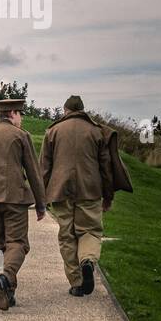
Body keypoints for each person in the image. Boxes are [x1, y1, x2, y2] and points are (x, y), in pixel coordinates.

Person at [0, 98, 46, 311]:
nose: (21, 119)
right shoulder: (21, 136)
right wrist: (41, 204)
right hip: (15, 198)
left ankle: (4, 289)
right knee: (19, 243)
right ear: (13, 113)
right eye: (20, 114)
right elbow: (33, 172)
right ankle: (6, 276)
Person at [40, 95, 113, 296]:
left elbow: (45, 167)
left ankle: (76, 281)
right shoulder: (96, 132)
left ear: (66, 110)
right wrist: (108, 196)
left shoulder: (52, 131)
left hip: (61, 190)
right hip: (90, 189)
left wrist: (42, 195)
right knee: (90, 230)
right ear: (82, 110)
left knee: (67, 235)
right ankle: (87, 260)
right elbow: (105, 167)